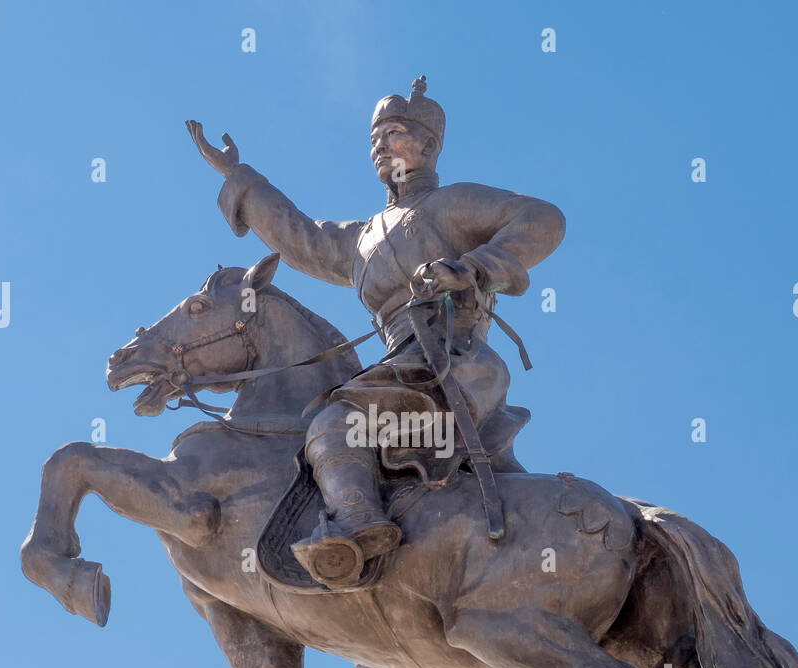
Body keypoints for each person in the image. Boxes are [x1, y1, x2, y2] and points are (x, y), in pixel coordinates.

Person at [187, 77, 565, 587]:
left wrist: (475, 268)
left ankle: (357, 529)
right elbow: (300, 237)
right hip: (400, 364)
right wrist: (238, 176)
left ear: (427, 145)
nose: (380, 146)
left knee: (335, 420)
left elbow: (541, 217)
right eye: (374, 138)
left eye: (392, 133)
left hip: (453, 359)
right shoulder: (364, 238)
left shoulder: (451, 204)